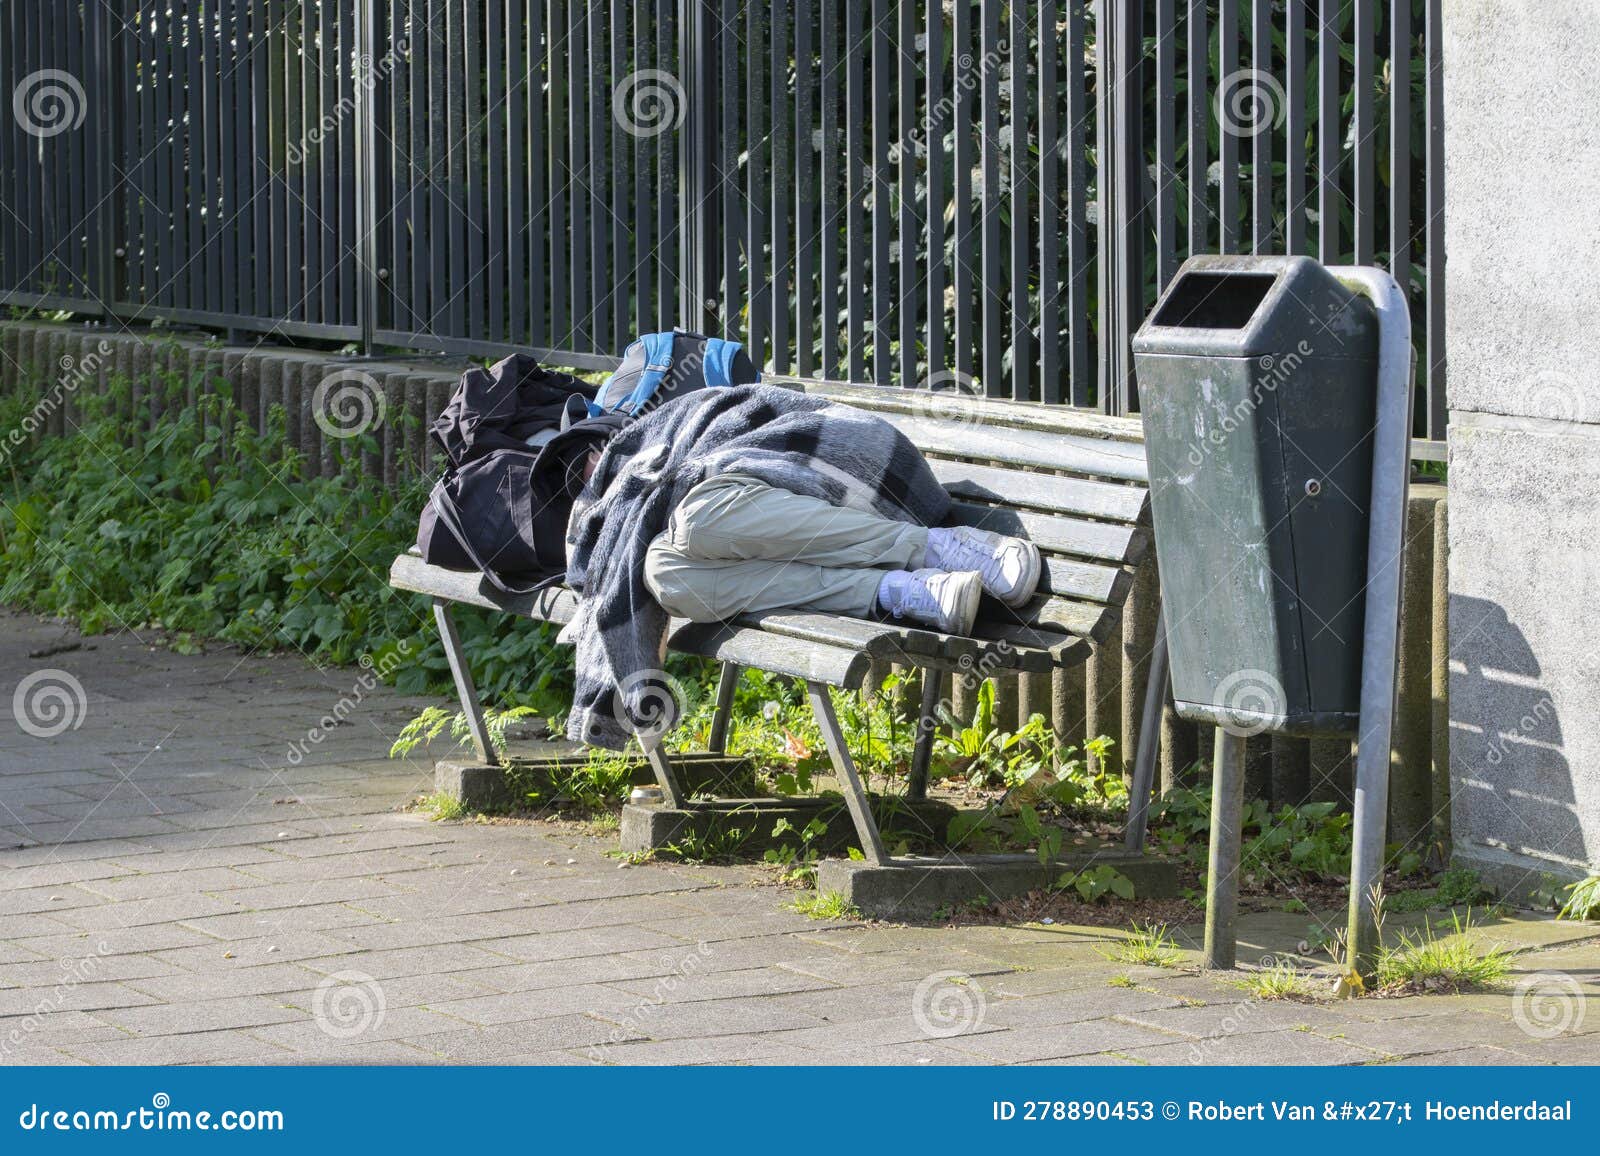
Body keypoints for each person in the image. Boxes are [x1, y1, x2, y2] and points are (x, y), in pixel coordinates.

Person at [640, 472, 1041, 637]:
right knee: (667, 576)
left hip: (822, 471)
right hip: (725, 526)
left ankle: (934, 547)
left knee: (697, 521)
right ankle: (896, 589)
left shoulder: (650, 384)